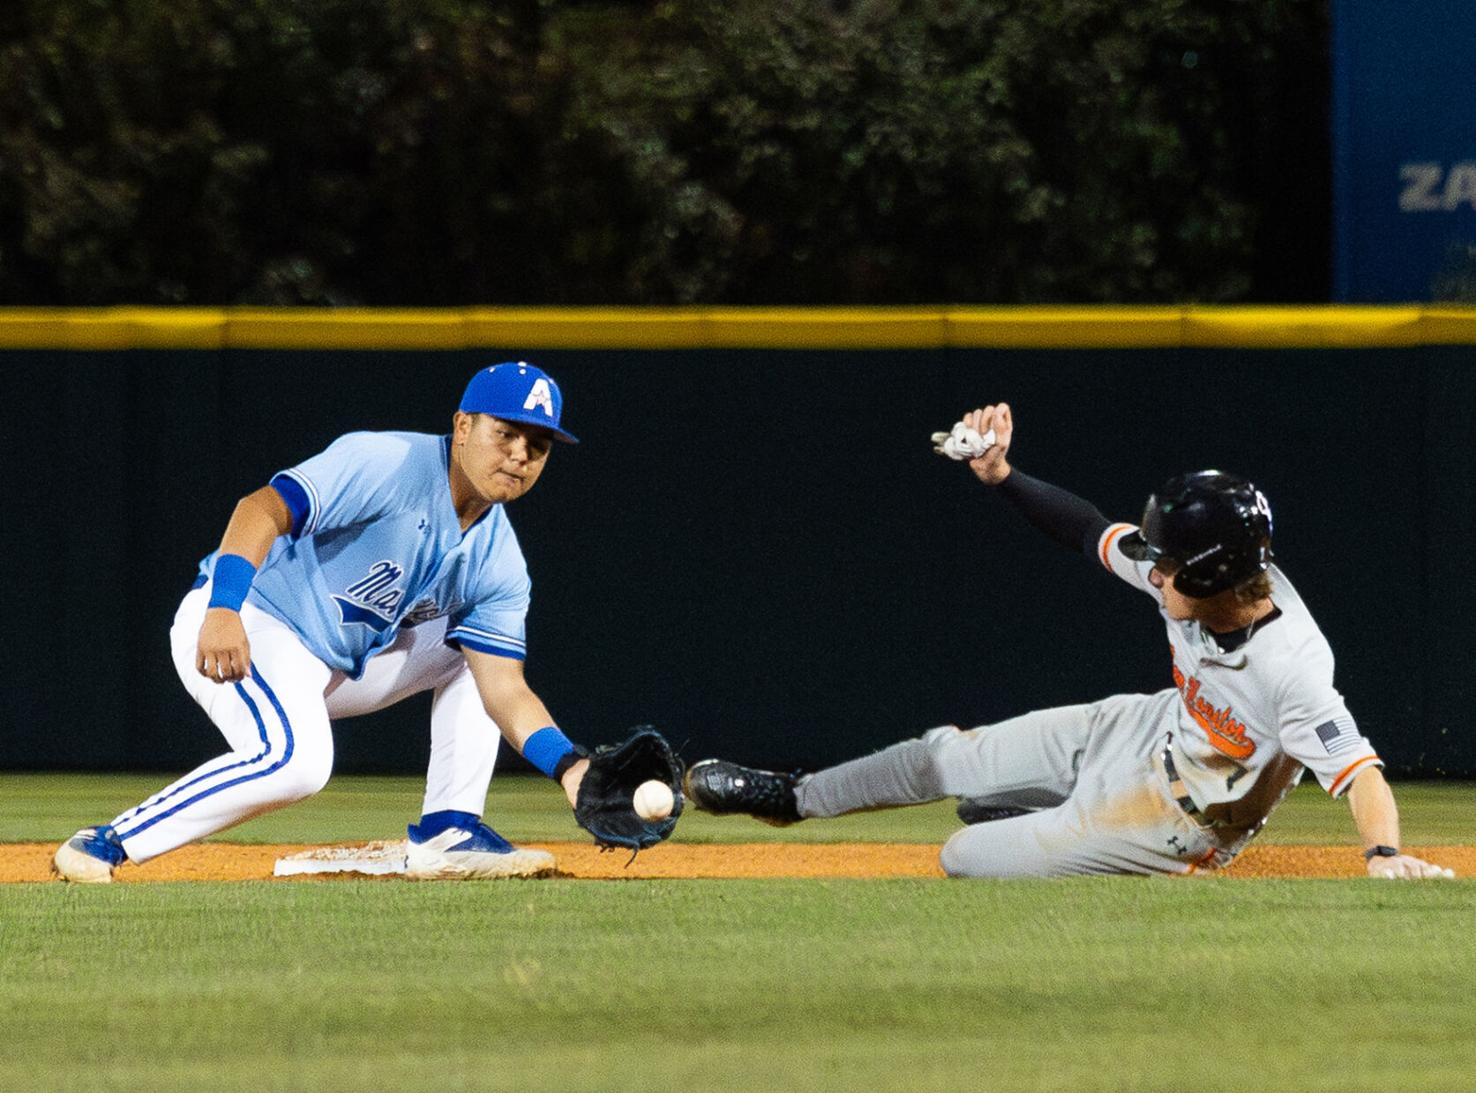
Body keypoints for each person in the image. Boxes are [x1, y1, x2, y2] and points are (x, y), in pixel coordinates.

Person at [683, 403, 1456, 880]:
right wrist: (1002, 474)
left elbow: (1362, 774)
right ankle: (789, 797)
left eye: (1169, 560)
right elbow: (1086, 527)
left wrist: (1385, 858)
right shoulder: (1190, 580)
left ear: (1216, 571)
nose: (1153, 567)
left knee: (963, 858)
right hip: (1143, 727)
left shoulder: (1292, 667)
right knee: (944, 751)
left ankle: (1028, 816)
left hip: (1175, 823)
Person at [54, 361, 622, 882]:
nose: (521, 454)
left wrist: (571, 767)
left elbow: (505, 688)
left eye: (538, 444)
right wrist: (223, 607)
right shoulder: (389, 463)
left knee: (472, 653)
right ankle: (107, 841)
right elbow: (260, 509)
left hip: (338, 661)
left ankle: (450, 831)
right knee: (299, 763)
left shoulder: (500, 561)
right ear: (464, 426)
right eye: (507, 433)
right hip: (251, 622)